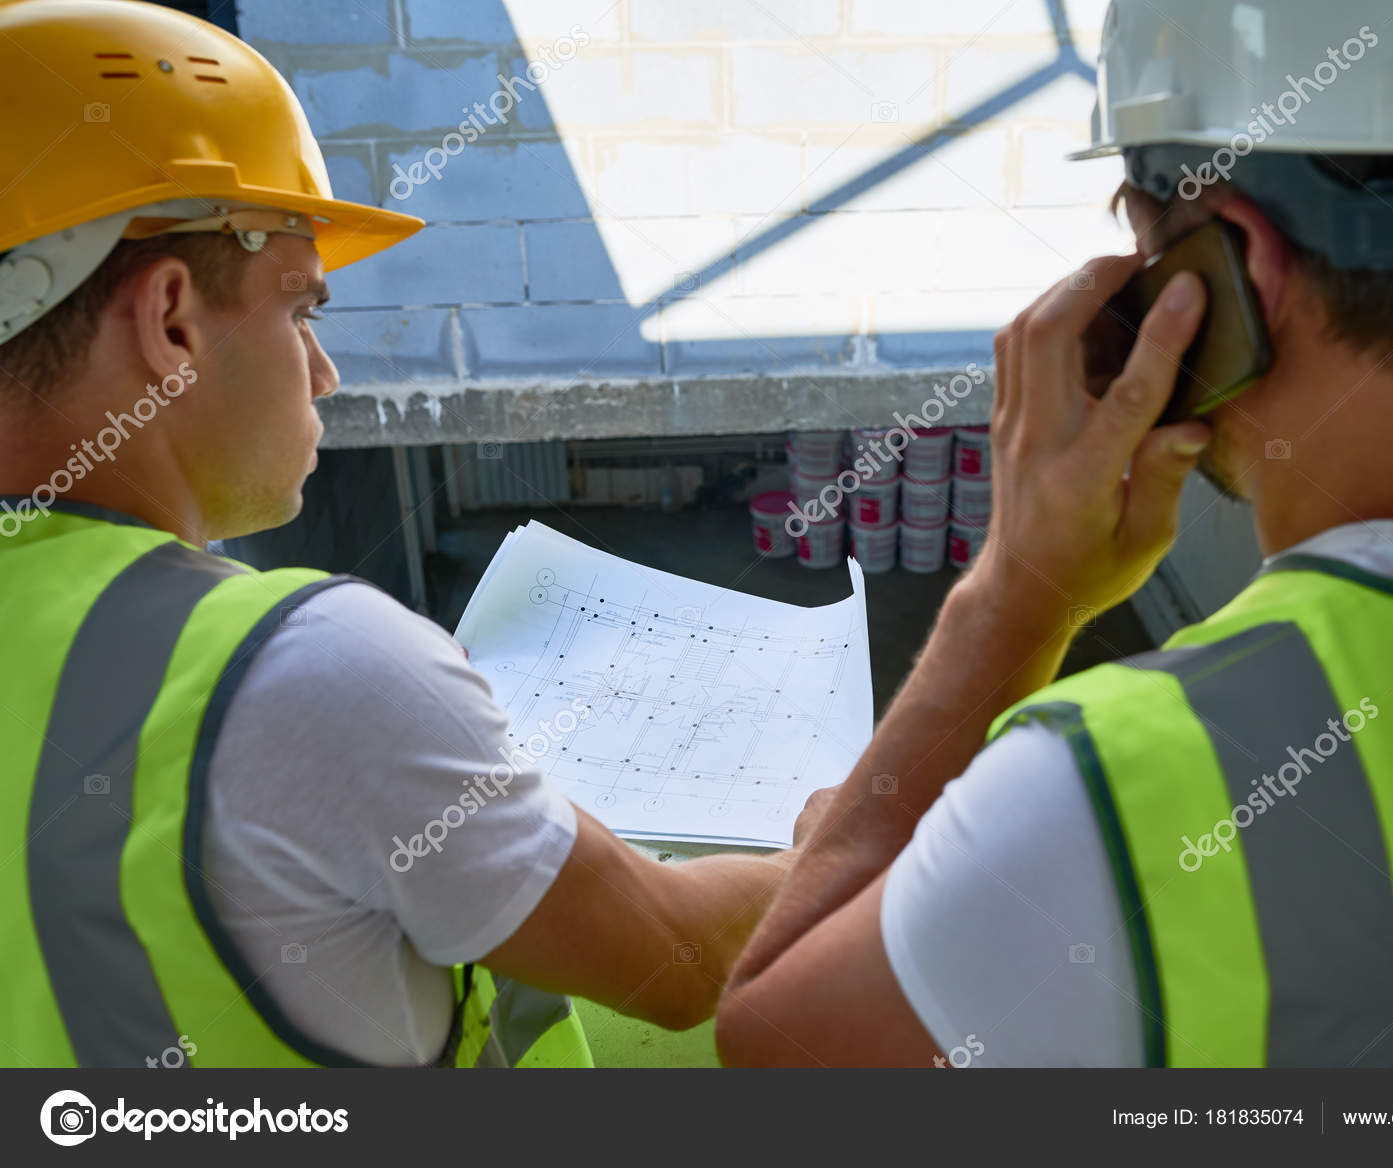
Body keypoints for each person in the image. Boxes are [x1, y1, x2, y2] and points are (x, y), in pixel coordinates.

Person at [717, 0, 1393, 1067]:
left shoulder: (1111, 787)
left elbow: (773, 1041)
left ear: (1236, 265)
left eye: (1142, 244)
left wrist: (1015, 594)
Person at [0, 0, 822, 1068]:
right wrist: (832, 843)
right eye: (302, 309)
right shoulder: (305, 669)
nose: (325, 373)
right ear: (170, 319)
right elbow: (676, 966)